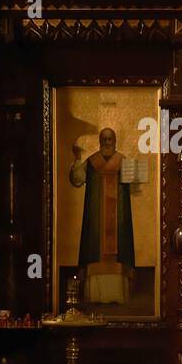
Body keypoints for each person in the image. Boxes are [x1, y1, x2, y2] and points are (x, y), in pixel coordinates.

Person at [69, 127, 138, 305]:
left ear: (114, 141)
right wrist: (77, 159)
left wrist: (137, 176)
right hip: (96, 220)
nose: (107, 143)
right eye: (104, 139)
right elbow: (77, 179)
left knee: (119, 249)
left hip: (118, 220)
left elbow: (134, 185)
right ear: (100, 141)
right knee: (94, 248)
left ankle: (118, 295)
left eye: (110, 139)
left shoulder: (122, 160)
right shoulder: (92, 162)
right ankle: (96, 295)